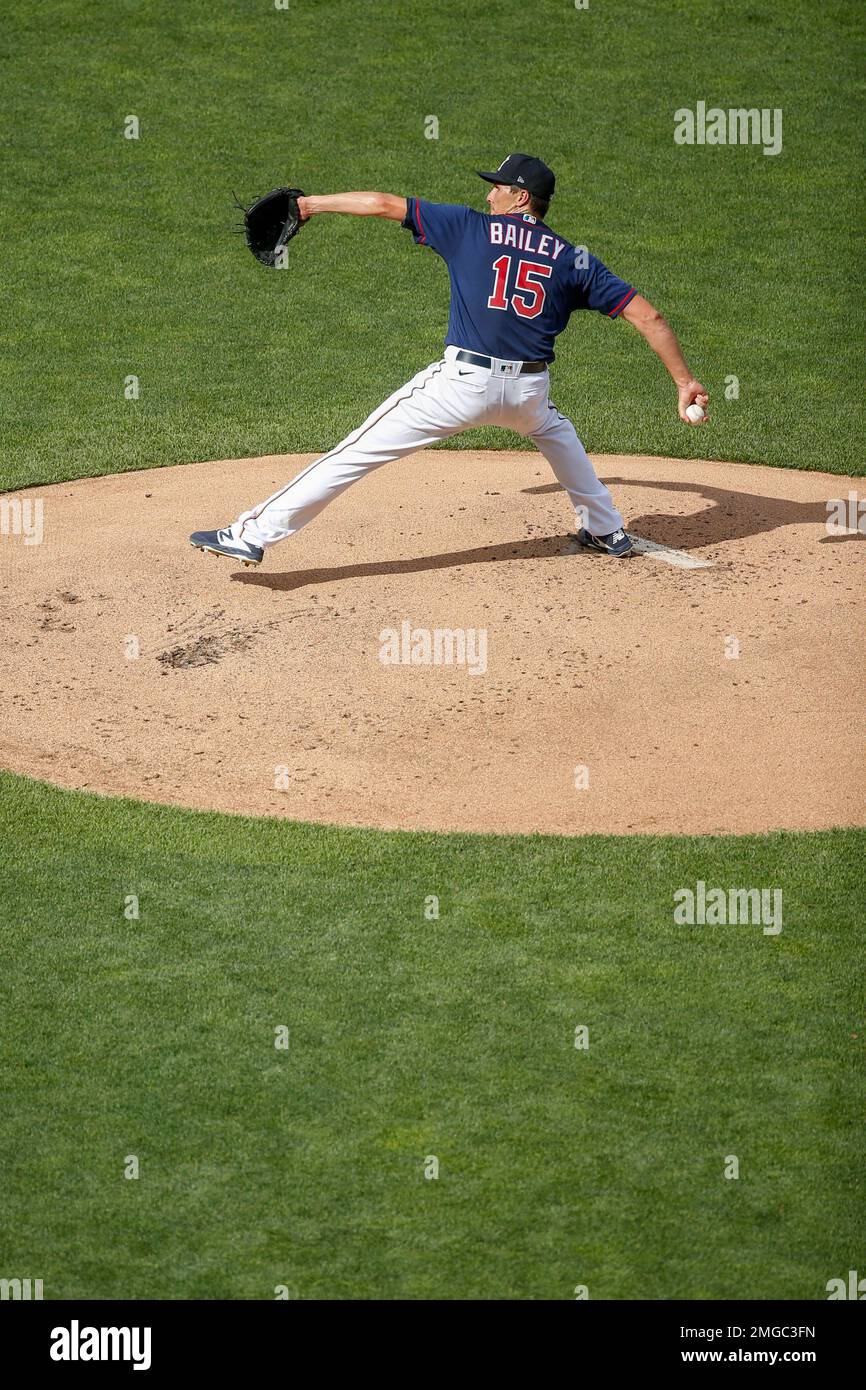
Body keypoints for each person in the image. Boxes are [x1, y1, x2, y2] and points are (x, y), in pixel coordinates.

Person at [190, 153, 708, 568]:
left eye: (497, 186)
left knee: (355, 452)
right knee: (555, 432)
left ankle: (249, 535)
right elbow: (652, 318)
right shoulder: (575, 258)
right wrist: (683, 381)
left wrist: (308, 206)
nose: (488, 193)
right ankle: (606, 527)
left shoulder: (469, 227)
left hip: (461, 388)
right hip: (528, 394)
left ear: (520, 197)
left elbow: (382, 203)